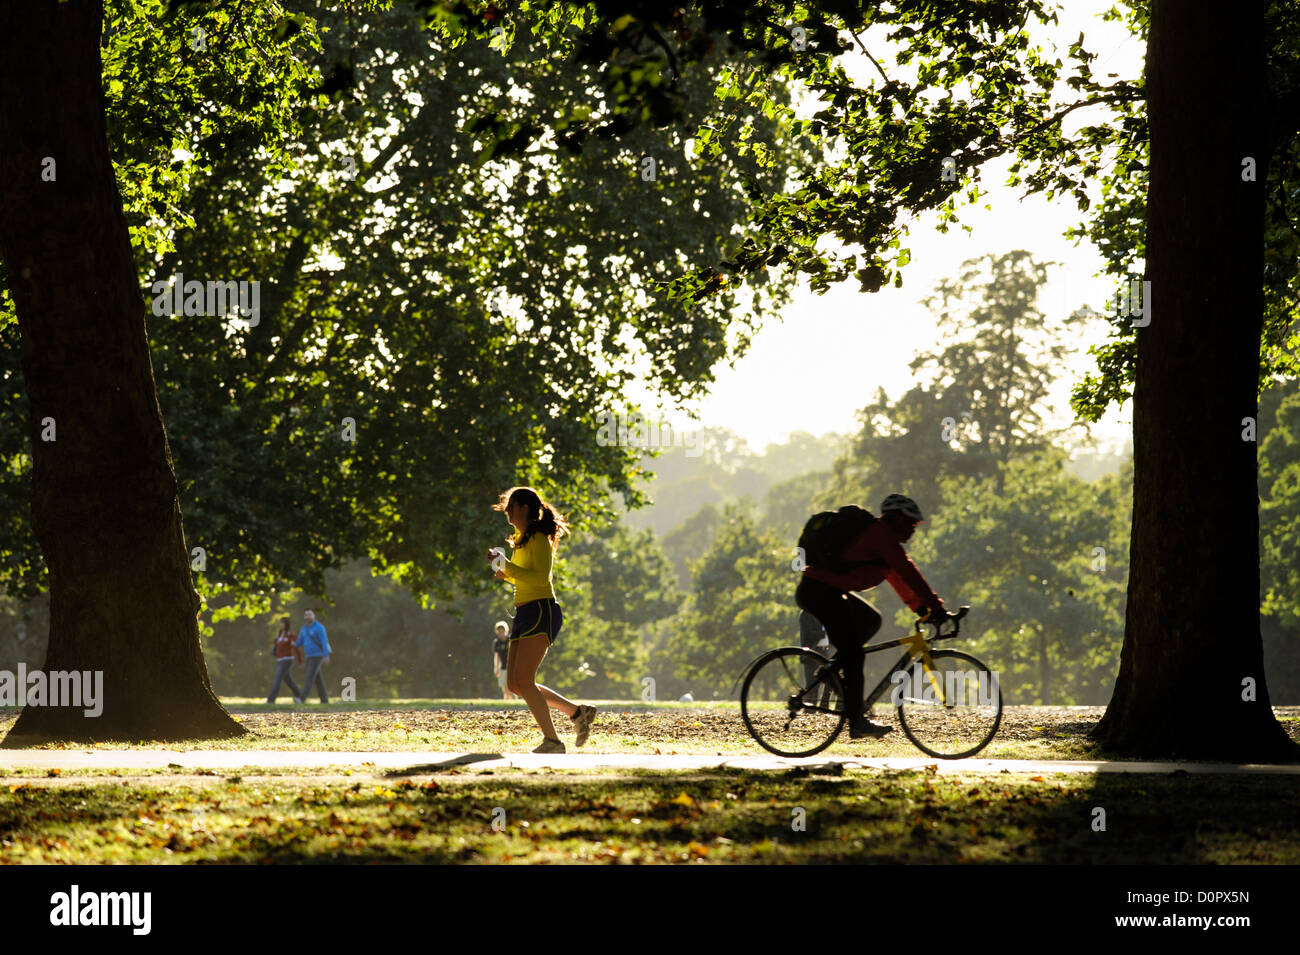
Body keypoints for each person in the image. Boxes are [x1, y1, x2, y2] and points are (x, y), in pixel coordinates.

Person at [795, 494, 950, 738]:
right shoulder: (880, 536)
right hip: (818, 593)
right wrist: (937, 608)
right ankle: (857, 723)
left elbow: (898, 579)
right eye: (909, 524)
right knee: (855, 655)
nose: (912, 531)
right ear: (896, 519)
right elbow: (908, 572)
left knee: (872, 620)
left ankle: (831, 671)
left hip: (830, 591)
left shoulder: (882, 543)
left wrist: (922, 610)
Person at [488, 485, 596, 753]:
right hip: (525, 611)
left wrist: (508, 567)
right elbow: (523, 574)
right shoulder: (521, 539)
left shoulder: (538, 538)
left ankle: (553, 741)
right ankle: (577, 713)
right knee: (514, 683)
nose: (508, 515)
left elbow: (539, 578)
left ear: (523, 508)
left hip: (541, 610)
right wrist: (505, 572)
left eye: (510, 509)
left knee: (524, 680)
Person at [295, 608, 332, 704]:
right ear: (304, 617)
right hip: (309, 656)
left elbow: (324, 641)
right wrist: (291, 643)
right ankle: (324, 700)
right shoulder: (303, 629)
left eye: (310, 614)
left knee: (309, 677)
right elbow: (299, 642)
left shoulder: (319, 627)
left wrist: (326, 655)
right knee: (318, 679)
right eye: (306, 615)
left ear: (314, 615)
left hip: (318, 656)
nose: (308, 616)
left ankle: (302, 699)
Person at [266, 616, 305, 704]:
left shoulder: (290, 634)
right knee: (288, 680)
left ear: (286, 624)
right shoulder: (279, 634)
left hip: (287, 660)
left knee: (277, 678)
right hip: (280, 660)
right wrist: (276, 639)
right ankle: (300, 695)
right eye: (280, 623)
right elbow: (277, 645)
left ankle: (270, 700)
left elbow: (296, 648)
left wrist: (300, 661)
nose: (280, 625)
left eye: (282, 623)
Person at [492, 621, 516, 700]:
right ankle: (507, 704)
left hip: (511, 667)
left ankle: (515, 703)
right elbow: (497, 656)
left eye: (502, 631)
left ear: (506, 631)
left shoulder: (510, 640)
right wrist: (496, 668)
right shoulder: (497, 642)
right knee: (504, 688)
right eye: (499, 632)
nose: (501, 634)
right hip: (503, 667)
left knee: (511, 688)